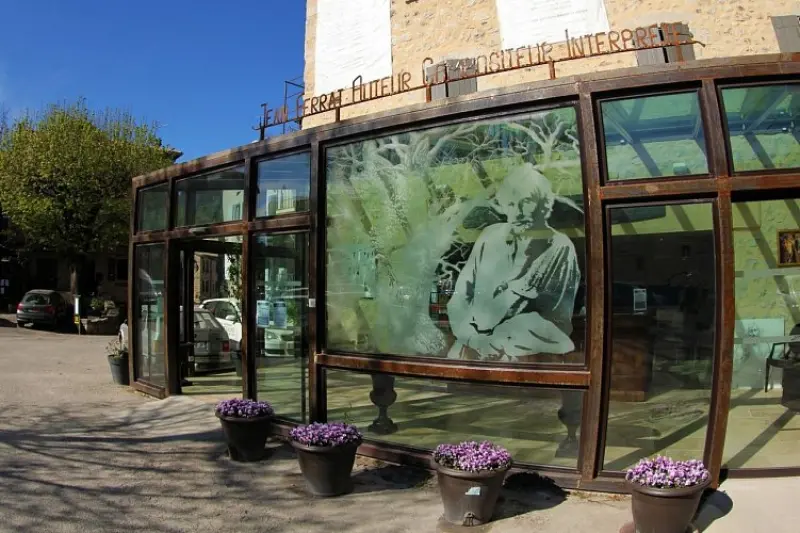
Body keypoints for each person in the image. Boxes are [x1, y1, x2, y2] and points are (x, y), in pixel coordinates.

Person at [446, 163, 581, 362]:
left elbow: (557, 319)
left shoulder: (559, 247)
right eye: (510, 203)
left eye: (525, 202)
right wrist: (470, 337)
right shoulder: (489, 237)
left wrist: (502, 338)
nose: (516, 211)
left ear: (542, 203)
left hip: (522, 357)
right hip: (470, 350)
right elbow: (460, 298)